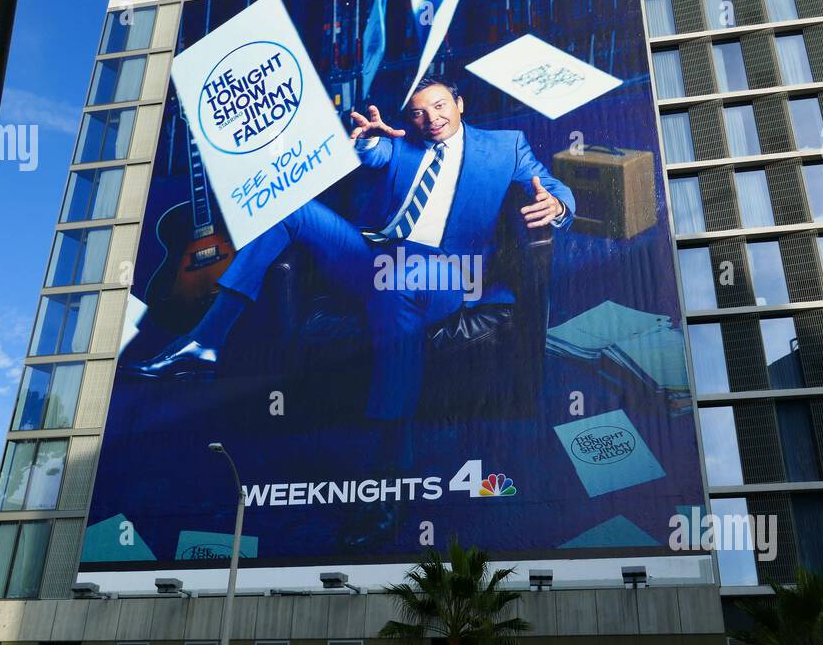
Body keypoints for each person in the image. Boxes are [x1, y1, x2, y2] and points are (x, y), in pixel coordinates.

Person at [128, 75, 575, 474]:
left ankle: (392, 452)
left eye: (439, 106)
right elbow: (373, 154)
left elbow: (553, 187)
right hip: (373, 258)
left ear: (459, 105)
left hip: (449, 273)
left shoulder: (504, 146)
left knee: (397, 283)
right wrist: (362, 143)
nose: (431, 118)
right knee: (292, 211)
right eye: (419, 112)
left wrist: (556, 205)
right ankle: (204, 343)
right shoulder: (400, 143)